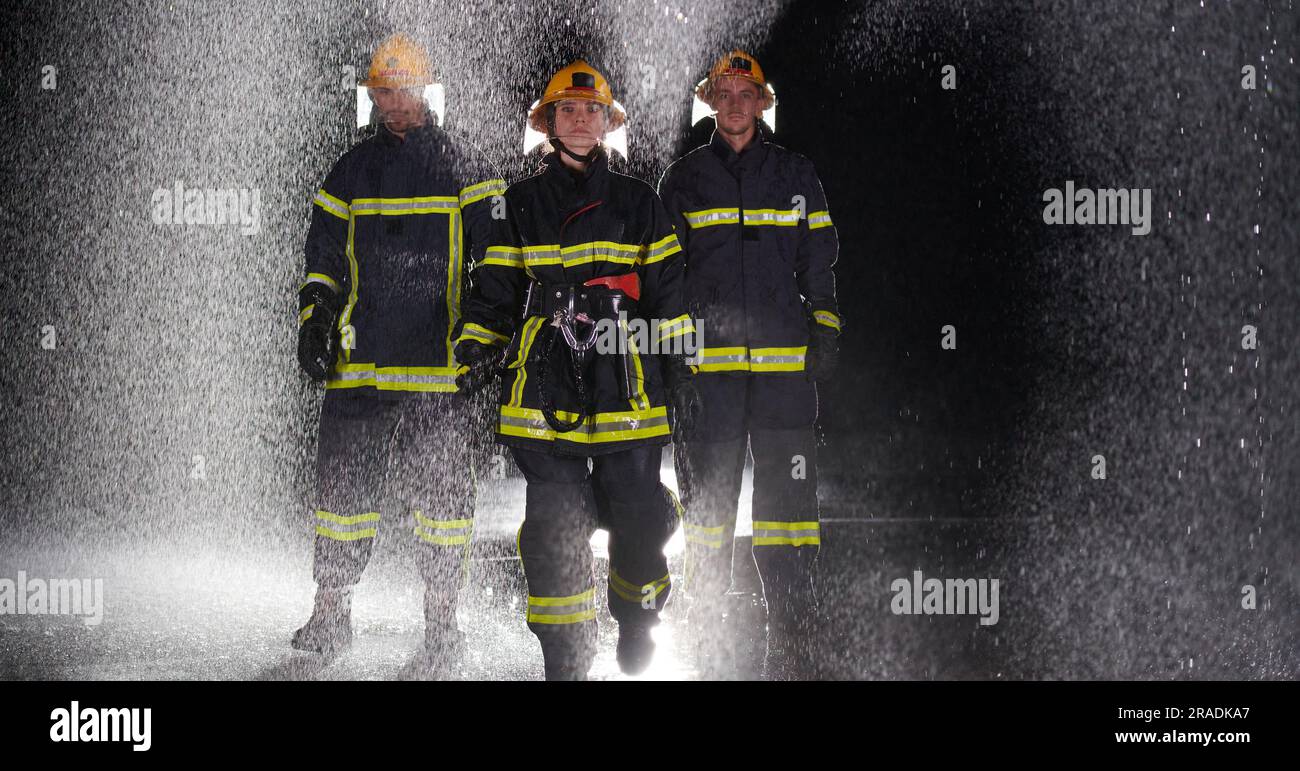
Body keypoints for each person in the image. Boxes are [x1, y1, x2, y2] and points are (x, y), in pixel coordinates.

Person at [453, 60, 701, 680]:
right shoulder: (520, 203)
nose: (581, 119)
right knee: (555, 525)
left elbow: (668, 293)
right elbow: (495, 290)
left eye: (592, 111)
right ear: (549, 124)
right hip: (545, 376)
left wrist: (681, 371)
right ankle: (564, 657)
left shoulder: (641, 202)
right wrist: (477, 347)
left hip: (626, 374)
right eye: (568, 110)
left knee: (639, 513)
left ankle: (639, 616)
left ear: (608, 124)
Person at [291, 33, 504, 680]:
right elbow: (323, 261)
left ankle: (442, 625)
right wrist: (315, 320)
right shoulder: (349, 171)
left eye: (402, 88)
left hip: (439, 369)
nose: (393, 102)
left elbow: (495, 267)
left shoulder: (466, 166)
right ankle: (331, 613)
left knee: (441, 504)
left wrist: (481, 338)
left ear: (425, 89)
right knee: (341, 497)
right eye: (383, 90)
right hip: (359, 366)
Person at [657, 50, 842, 680]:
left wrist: (825, 324)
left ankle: (790, 622)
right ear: (711, 101)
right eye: (725, 94)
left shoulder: (797, 175)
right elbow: (667, 276)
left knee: (787, 506)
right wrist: (676, 357)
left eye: (746, 94)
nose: (735, 104)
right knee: (708, 504)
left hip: (784, 372)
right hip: (710, 374)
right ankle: (707, 619)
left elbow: (819, 258)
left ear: (763, 103)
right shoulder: (682, 181)